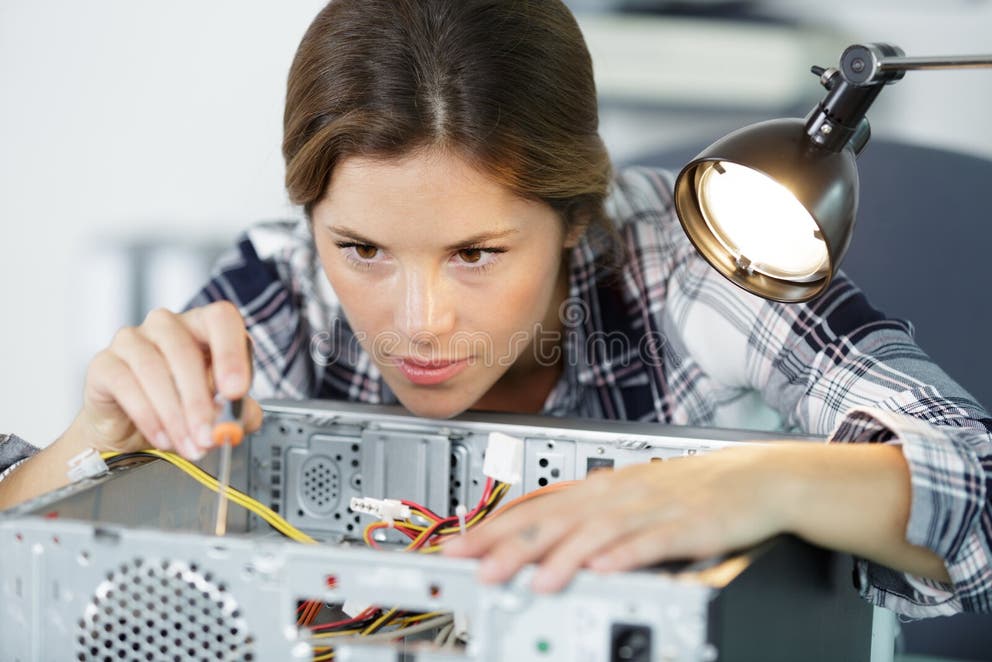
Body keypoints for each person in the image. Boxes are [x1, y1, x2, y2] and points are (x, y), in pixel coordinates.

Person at [1, 0, 990, 621]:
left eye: (475, 253)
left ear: (574, 216)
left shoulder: (694, 258)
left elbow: (972, 476)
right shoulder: (286, 283)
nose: (417, 320)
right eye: (362, 249)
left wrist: (755, 483)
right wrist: (88, 446)